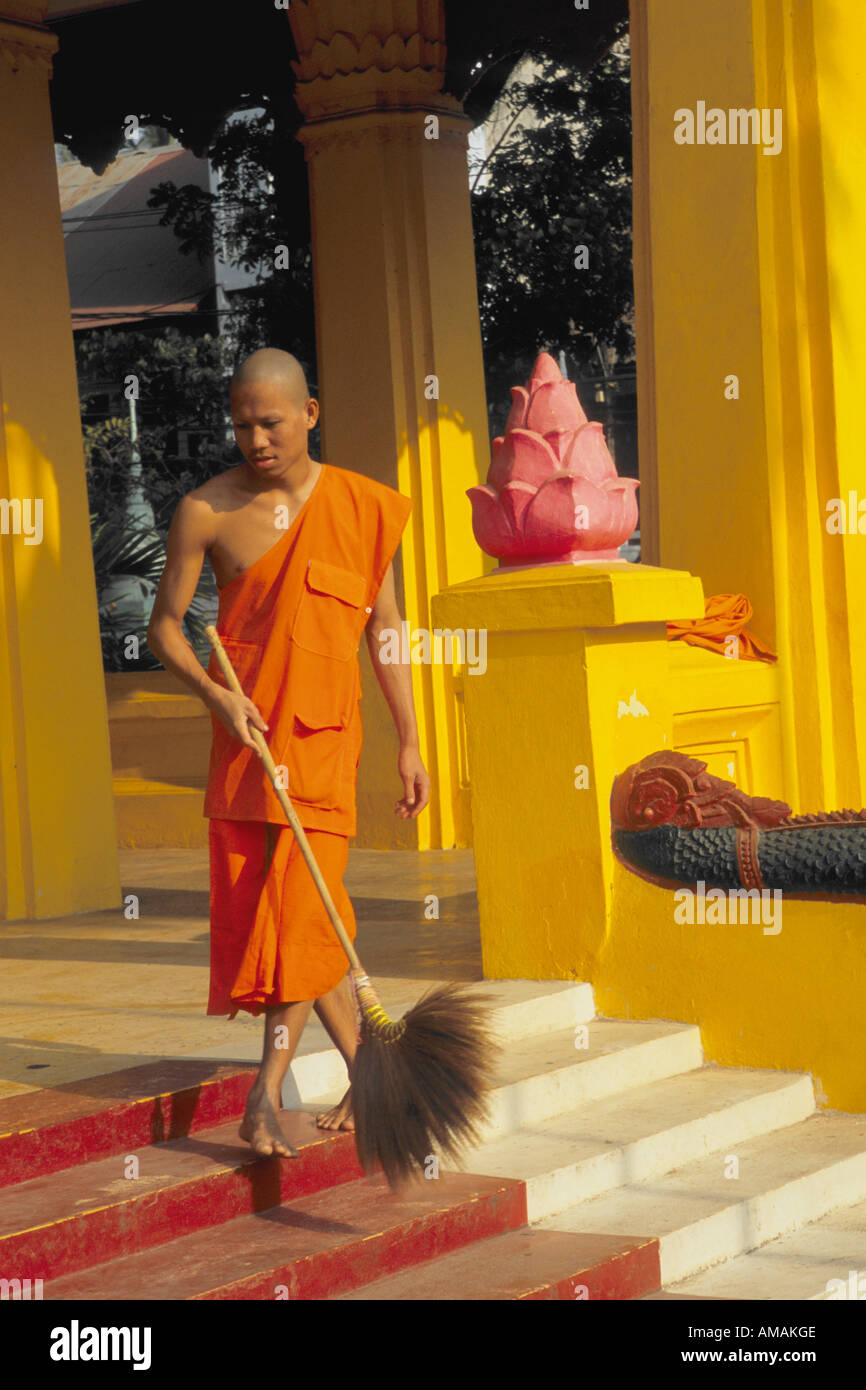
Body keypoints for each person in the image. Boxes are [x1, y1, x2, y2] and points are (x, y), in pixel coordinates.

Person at [147, 348, 430, 1157]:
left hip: (326, 747)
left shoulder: (361, 507)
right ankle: (370, 1069)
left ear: (310, 413)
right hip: (247, 747)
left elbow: (385, 630)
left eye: (270, 422)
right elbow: (165, 626)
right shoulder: (207, 510)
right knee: (305, 921)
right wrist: (217, 695)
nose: (256, 439)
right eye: (241, 424)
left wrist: (409, 739)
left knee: (304, 914)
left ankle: (264, 1093)